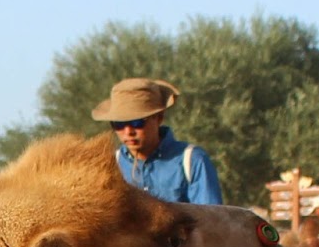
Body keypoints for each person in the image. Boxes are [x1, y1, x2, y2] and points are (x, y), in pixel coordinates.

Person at [92, 78, 222, 205]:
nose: (128, 132)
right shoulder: (111, 166)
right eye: (119, 124)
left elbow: (211, 219)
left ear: (159, 118)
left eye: (137, 122)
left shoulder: (191, 161)